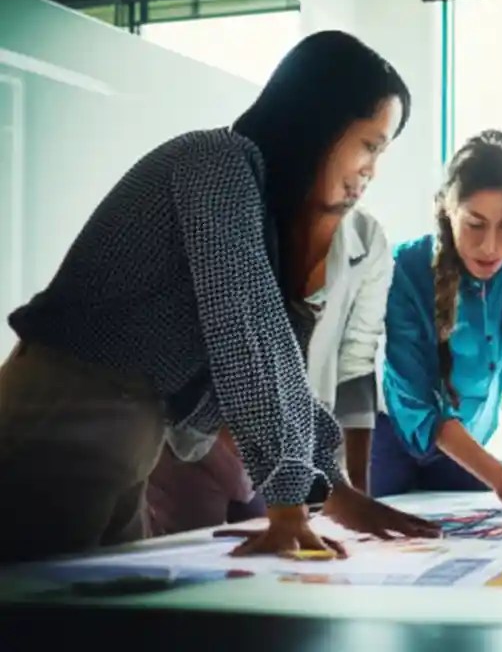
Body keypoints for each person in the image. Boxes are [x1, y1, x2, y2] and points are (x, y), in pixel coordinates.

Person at [0, 30, 439, 562]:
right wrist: (288, 502)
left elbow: (277, 358)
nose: (372, 170)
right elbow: (244, 332)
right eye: (370, 145)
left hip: (128, 428)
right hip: (66, 413)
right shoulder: (217, 162)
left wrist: (335, 489)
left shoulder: (261, 207)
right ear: (321, 120)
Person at [147, 204, 393, 535]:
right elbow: (240, 369)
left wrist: (355, 493)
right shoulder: (232, 220)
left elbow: (355, 366)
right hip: (199, 439)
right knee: (184, 560)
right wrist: (318, 486)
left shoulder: (366, 238)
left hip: (285, 448)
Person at [377, 130, 502, 517]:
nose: (490, 246)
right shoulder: (405, 268)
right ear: (446, 209)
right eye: (475, 224)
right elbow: (415, 400)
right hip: (393, 438)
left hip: (471, 445)